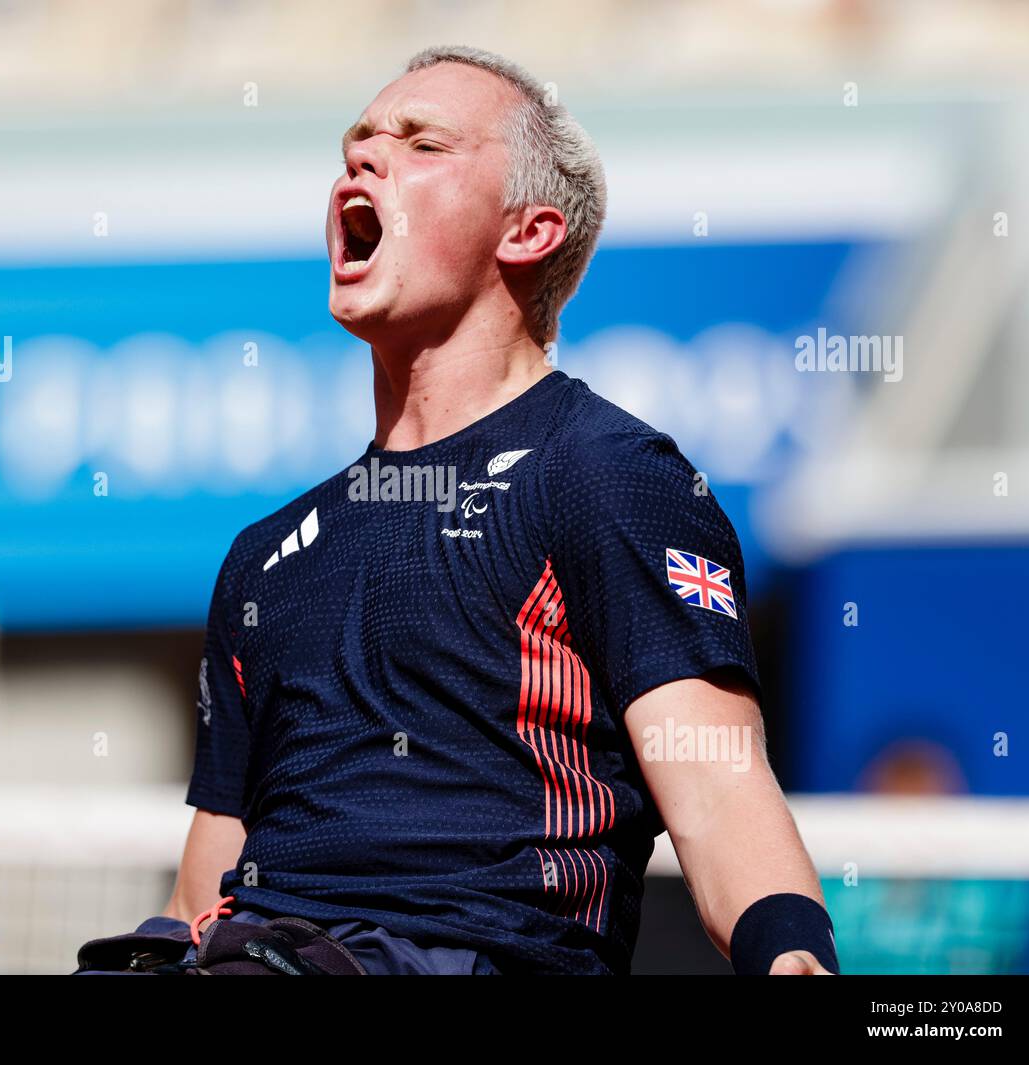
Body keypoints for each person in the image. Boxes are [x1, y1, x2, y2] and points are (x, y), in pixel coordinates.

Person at [163, 44, 838, 975]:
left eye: (421, 143)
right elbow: (203, 892)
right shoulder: (264, 556)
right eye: (357, 141)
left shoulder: (608, 473)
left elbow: (720, 785)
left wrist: (791, 951)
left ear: (526, 233)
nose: (363, 157)